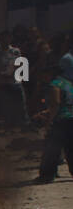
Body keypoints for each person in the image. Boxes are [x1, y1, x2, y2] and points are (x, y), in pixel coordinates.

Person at [35, 52, 73, 183]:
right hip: (71, 118)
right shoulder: (67, 83)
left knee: (52, 148)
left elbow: (56, 103)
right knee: (70, 148)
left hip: (61, 120)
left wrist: (49, 120)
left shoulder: (55, 84)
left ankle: (47, 175)